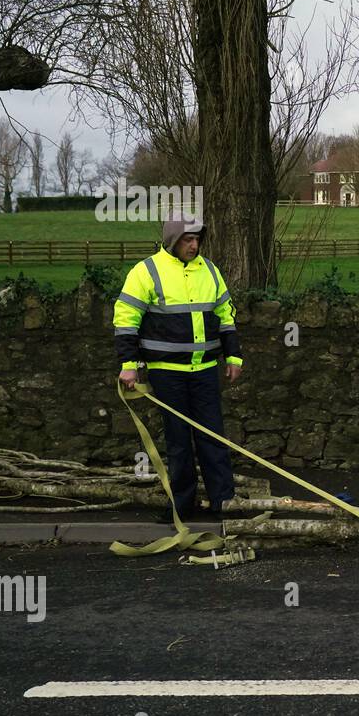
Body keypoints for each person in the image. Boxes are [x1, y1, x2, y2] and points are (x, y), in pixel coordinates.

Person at [114, 214, 243, 521]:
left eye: (197, 239)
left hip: (205, 370)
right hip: (167, 372)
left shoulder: (209, 270)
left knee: (213, 438)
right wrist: (129, 366)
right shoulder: (145, 271)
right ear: (172, 241)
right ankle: (182, 508)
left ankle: (222, 505)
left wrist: (234, 357)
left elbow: (226, 315)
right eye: (188, 240)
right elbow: (126, 320)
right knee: (178, 442)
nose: (194, 245)